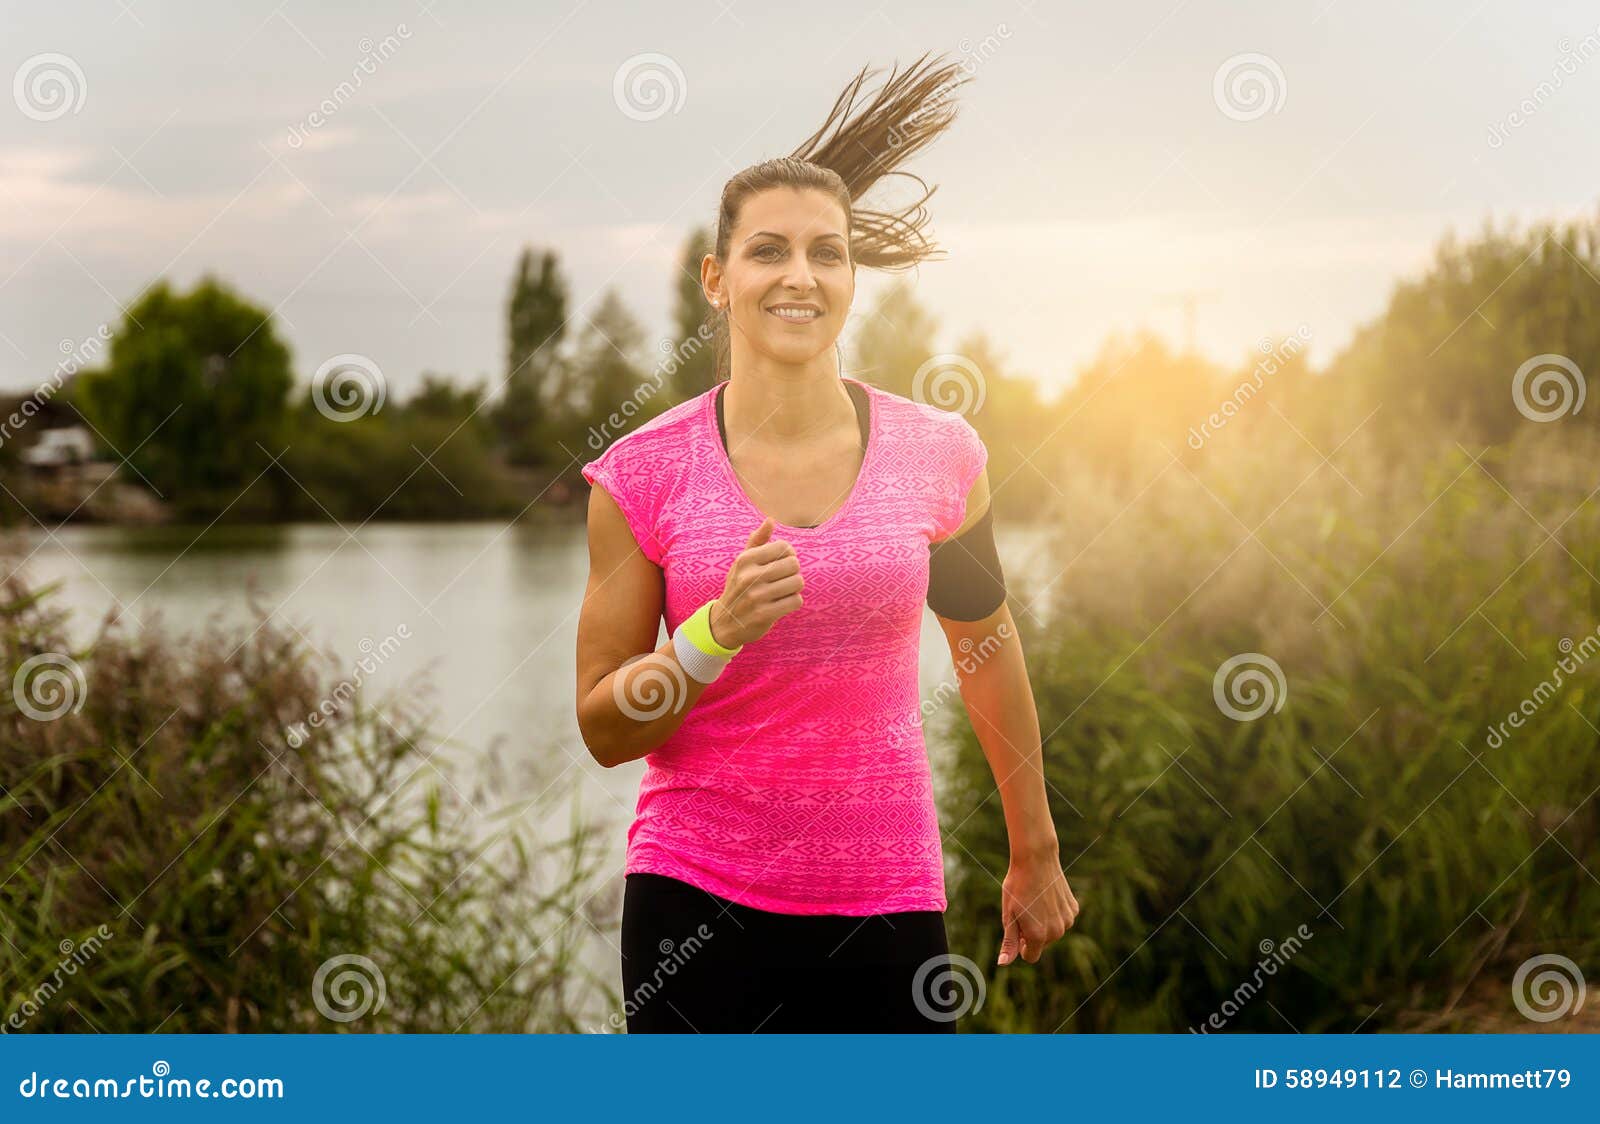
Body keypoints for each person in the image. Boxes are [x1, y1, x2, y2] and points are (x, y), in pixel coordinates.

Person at [575, 52, 1077, 1033]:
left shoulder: (941, 454)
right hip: (694, 900)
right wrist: (711, 633)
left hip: (887, 897)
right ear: (717, 279)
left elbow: (984, 648)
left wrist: (1036, 849)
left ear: (852, 277)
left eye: (827, 253)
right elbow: (603, 728)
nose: (799, 276)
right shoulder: (642, 473)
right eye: (767, 251)